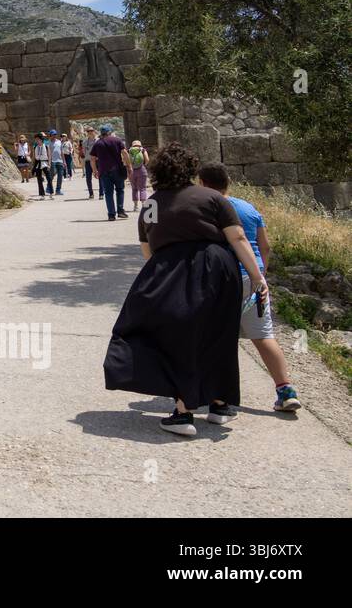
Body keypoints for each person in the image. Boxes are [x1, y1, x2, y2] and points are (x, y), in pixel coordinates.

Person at [104, 142, 271, 437]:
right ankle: (219, 404)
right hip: (218, 267)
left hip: (170, 268)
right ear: (191, 169)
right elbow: (239, 238)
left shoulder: (151, 204)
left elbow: (148, 251)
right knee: (219, 333)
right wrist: (258, 278)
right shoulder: (211, 197)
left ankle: (183, 413)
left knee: (175, 336)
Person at [197, 162, 301, 413]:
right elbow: (264, 246)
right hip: (253, 279)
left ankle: (217, 396)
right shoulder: (248, 207)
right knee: (264, 335)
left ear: (202, 184)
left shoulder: (206, 207)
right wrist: (260, 274)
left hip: (222, 280)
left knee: (215, 338)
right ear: (227, 182)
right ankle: (285, 390)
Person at [89, 124, 130, 220]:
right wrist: (129, 166)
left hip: (103, 171)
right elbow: (125, 153)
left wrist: (94, 170)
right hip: (117, 169)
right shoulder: (117, 140)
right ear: (110, 132)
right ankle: (120, 211)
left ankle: (111, 214)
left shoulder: (98, 143)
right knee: (120, 190)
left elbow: (92, 158)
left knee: (108, 193)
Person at [128, 139, 150, 210]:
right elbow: (147, 159)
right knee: (143, 188)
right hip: (141, 170)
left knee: (134, 189)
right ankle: (143, 205)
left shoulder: (129, 151)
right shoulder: (143, 150)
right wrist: (143, 165)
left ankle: (135, 206)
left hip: (131, 171)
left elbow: (125, 161)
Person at [31, 132, 53, 199]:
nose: (36, 141)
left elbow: (49, 155)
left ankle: (51, 193)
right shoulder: (35, 147)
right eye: (36, 139)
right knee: (39, 179)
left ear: (41, 139)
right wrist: (33, 166)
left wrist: (49, 163)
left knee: (49, 178)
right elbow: (34, 157)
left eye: (37, 139)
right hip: (38, 163)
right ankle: (42, 194)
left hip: (45, 163)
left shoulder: (46, 146)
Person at [80, 126, 99, 199]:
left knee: (100, 177)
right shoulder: (84, 142)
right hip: (88, 161)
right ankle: (91, 194)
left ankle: (101, 193)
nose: (90, 132)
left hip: (97, 160)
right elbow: (84, 152)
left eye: (91, 131)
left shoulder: (98, 141)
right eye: (88, 131)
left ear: (94, 131)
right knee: (88, 178)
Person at [48, 130, 66, 196]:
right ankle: (48, 187)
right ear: (50, 135)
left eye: (55, 134)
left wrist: (64, 161)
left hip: (60, 161)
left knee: (60, 176)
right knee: (52, 174)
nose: (54, 136)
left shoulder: (59, 142)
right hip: (53, 161)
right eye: (53, 134)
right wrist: (49, 162)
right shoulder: (48, 143)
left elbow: (61, 152)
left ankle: (58, 190)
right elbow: (49, 153)